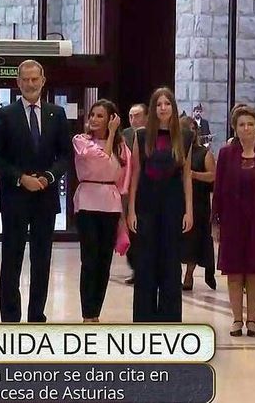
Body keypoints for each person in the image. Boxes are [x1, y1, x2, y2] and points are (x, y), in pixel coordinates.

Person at [0, 59, 72, 323]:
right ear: (18, 82)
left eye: (35, 79)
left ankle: (37, 315)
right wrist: (21, 178)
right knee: (11, 261)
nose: (30, 84)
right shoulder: (5, 115)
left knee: (41, 260)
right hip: (15, 199)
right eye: (25, 79)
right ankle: (10, 317)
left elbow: (66, 156)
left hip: (45, 199)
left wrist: (48, 177)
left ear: (43, 81)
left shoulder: (57, 114)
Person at [212, 105, 255, 337]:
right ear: (235, 128)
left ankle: (252, 320)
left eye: (250, 124)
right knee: (234, 272)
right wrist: (215, 220)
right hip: (232, 221)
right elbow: (218, 188)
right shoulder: (226, 154)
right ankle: (236, 319)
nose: (246, 128)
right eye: (241, 124)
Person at [127, 87, 193, 322]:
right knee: (145, 262)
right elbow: (135, 174)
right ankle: (144, 319)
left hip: (173, 204)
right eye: (159, 104)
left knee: (170, 262)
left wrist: (189, 211)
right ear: (153, 109)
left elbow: (187, 176)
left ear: (173, 108)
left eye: (167, 104)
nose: (163, 108)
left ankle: (169, 319)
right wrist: (131, 210)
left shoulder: (185, 136)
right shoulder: (142, 136)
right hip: (146, 203)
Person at [73, 99, 131, 322]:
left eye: (100, 116)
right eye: (92, 115)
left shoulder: (121, 147)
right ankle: (87, 313)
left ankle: (95, 312)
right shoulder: (81, 141)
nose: (94, 120)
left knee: (104, 261)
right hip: (87, 202)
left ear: (111, 119)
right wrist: (112, 134)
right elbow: (101, 161)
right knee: (89, 260)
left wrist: (124, 215)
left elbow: (124, 177)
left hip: (111, 204)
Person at [179, 116, 216, 291]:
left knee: (194, 241)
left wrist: (192, 174)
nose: (191, 132)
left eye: (194, 128)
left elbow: (212, 175)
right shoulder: (175, 151)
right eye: (188, 128)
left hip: (198, 202)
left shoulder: (204, 153)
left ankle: (189, 274)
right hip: (178, 199)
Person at [121, 103, 147, 285]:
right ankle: (136, 268)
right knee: (131, 230)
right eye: (130, 116)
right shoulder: (126, 135)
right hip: (128, 187)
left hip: (147, 186)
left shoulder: (152, 134)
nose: (133, 119)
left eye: (137, 115)